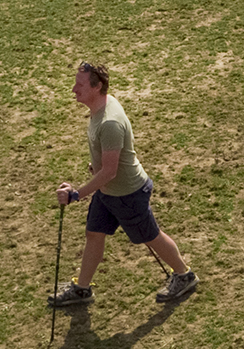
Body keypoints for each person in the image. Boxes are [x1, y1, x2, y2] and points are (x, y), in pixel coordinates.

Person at [51, 62, 197, 308]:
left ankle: (184, 275)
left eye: (80, 84)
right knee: (94, 234)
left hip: (127, 194)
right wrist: (95, 171)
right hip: (108, 192)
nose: (74, 89)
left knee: (151, 236)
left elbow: (110, 171)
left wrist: (77, 194)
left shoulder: (109, 123)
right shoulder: (102, 107)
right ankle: (82, 289)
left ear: (98, 87)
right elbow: (106, 166)